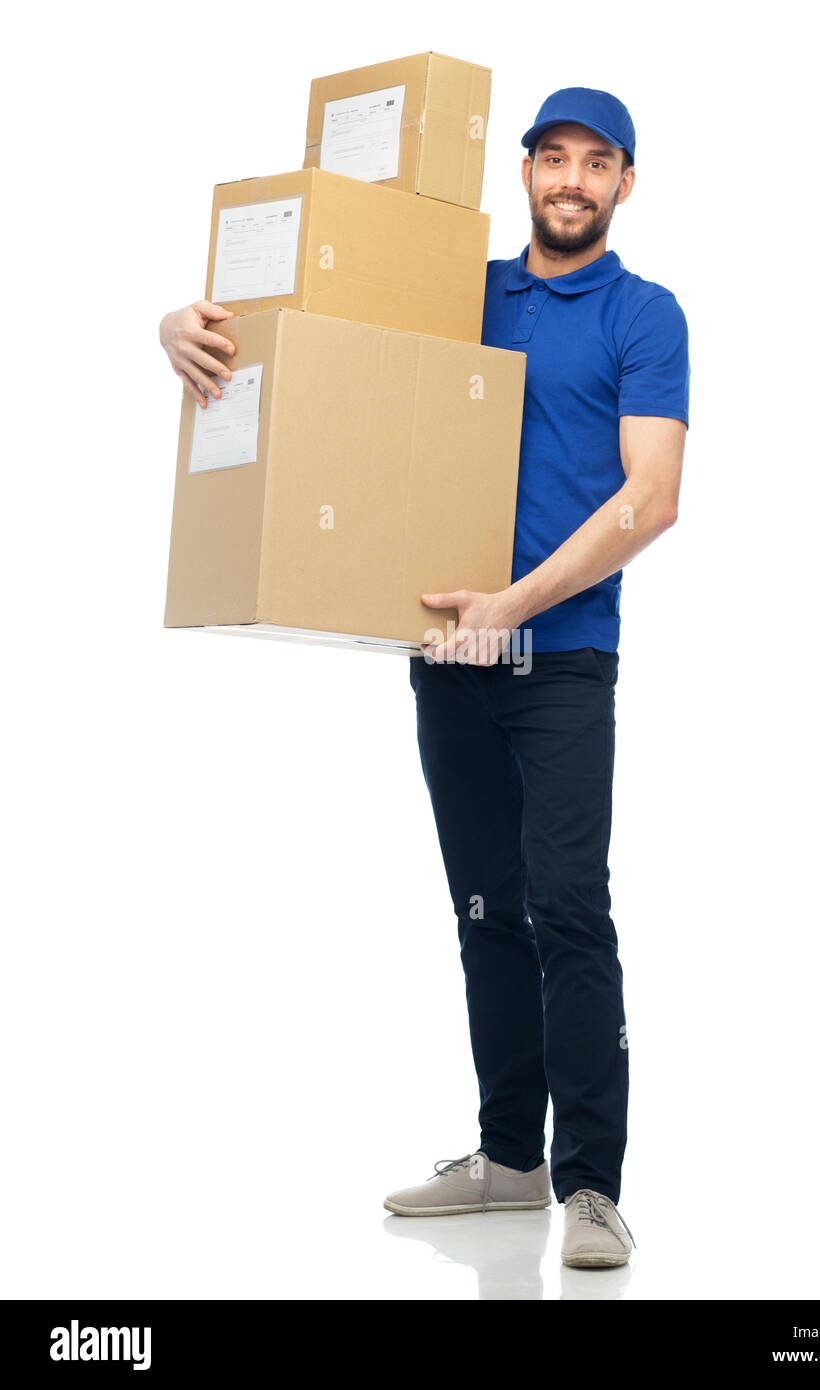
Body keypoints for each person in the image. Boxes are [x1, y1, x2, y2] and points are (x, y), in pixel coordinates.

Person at [158, 87, 689, 1271]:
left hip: (559, 654)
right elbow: (309, 328)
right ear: (526, 170)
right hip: (449, 648)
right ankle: (511, 1157)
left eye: (595, 164)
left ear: (624, 184)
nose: (570, 181)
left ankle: (592, 1188)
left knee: (567, 908)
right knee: (486, 909)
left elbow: (648, 500)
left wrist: (515, 603)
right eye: (553, 158)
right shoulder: (463, 290)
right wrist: (178, 328)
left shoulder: (644, 317)